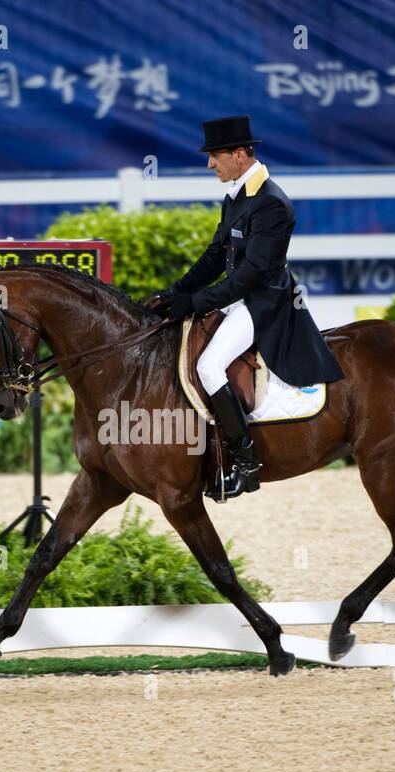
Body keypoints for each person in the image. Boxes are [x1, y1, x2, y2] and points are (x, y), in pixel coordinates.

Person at [151, 115, 345, 500]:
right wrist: (175, 293)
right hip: (240, 299)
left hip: (264, 304)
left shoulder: (272, 204)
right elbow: (213, 257)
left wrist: (195, 302)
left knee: (208, 366)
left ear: (239, 154)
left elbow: (251, 275)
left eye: (215, 156)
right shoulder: (238, 197)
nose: (210, 164)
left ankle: (246, 460)